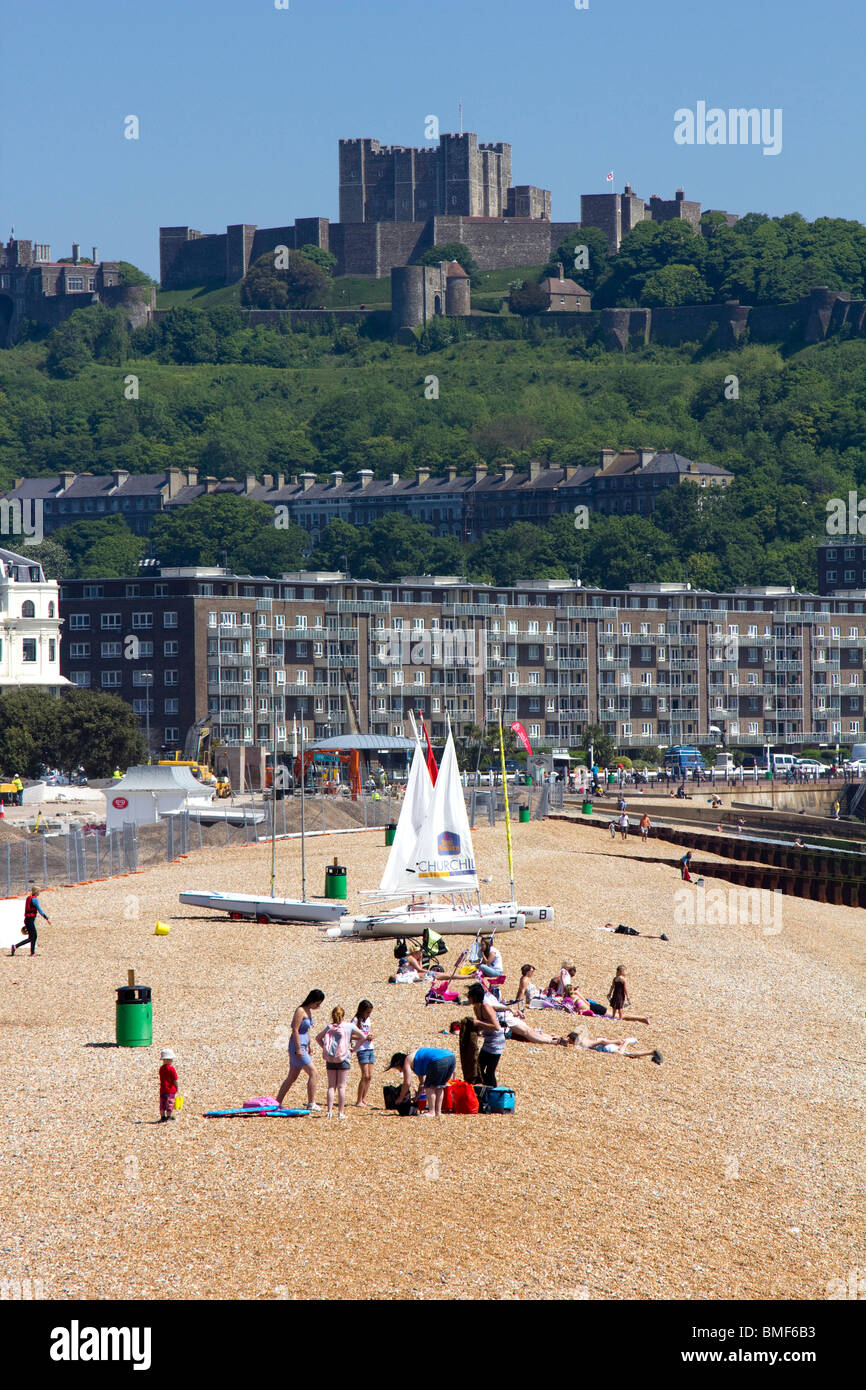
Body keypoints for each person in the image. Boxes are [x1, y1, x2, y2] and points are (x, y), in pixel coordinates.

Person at [275, 989, 325, 1111]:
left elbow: (306, 1030)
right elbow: (295, 1029)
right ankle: (311, 1102)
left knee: (292, 1076)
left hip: (303, 1046)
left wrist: (309, 1045)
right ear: (312, 1000)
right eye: (317, 1003)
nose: (318, 1006)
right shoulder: (300, 1010)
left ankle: (277, 1102)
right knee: (314, 1072)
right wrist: (298, 1048)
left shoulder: (308, 1011)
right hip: (296, 1046)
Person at [317, 1006, 367, 1119]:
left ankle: (329, 1112)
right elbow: (363, 1037)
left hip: (330, 1058)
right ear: (343, 1016)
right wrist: (354, 1049)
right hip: (344, 1058)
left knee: (331, 1086)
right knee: (341, 1087)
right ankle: (340, 1112)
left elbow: (318, 1038)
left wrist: (324, 1048)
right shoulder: (348, 1026)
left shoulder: (329, 1027)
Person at [388, 1047, 456, 1117]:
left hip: (438, 1060)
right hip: (451, 1058)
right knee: (439, 1087)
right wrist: (417, 1096)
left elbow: (407, 1083)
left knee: (429, 1087)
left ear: (399, 1063)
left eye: (398, 1068)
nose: (400, 1071)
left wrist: (401, 1097)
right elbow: (422, 1083)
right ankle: (438, 1112)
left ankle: (431, 1112)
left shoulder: (407, 1061)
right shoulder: (417, 1059)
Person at [467, 982, 506, 1087]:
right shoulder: (476, 1008)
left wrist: (478, 1023)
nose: (468, 998)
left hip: (497, 1041)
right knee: (478, 1068)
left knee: (490, 1071)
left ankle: (493, 1093)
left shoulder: (486, 1007)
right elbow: (482, 1026)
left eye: (469, 996)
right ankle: (485, 1091)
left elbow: (496, 1026)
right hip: (488, 1040)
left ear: (474, 997)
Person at [564, 1028, 662, 1063]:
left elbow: (601, 1041)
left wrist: (615, 1041)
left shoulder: (583, 1043)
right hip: (604, 1046)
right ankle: (651, 1053)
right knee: (629, 1055)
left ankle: (627, 1041)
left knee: (620, 1053)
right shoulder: (582, 1040)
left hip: (605, 1047)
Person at [11, 886, 50, 956]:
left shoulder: (28, 898)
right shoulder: (35, 900)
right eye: (39, 891)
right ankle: (15, 946)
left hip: (27, 920)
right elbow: (40, 910)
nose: (39, 892)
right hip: (30, 920)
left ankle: (32, 952)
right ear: (36, 892)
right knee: (32, 937)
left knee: (33, 936)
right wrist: (45, 917)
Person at [351, 999, 376, 1107]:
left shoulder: (368, 1020)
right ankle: (359, 1100)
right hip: (361, 1049)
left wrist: (370, 1036)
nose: (369, 1014)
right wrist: (364, 1037)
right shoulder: (355, 1020)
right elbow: (351, 1035)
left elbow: (369, 1031)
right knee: (364, 1075)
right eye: (367, 1012)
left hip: (370, 1047)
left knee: (369, 1076)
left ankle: (364, 1098)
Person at [159, 1048, 179, 1122]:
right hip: (170, 1090)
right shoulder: (171, 1069)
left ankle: (162, 1117)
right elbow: (175, 1079)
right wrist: (177, 1087)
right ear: (167, 1059)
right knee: (170, 1103)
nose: (172, 1061)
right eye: (171, 1059)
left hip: (162, 1089)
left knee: (162, 1103)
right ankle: (169, 1116)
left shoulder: (161, 1069)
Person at [599, 922, 669, 941]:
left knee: (642, 934)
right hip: (627, 929)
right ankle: (659, 936)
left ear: (608, 926)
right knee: (643, 934)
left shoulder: (609, 928)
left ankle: (660, 936)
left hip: (626, 930)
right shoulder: (613, 927)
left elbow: (603, 929)